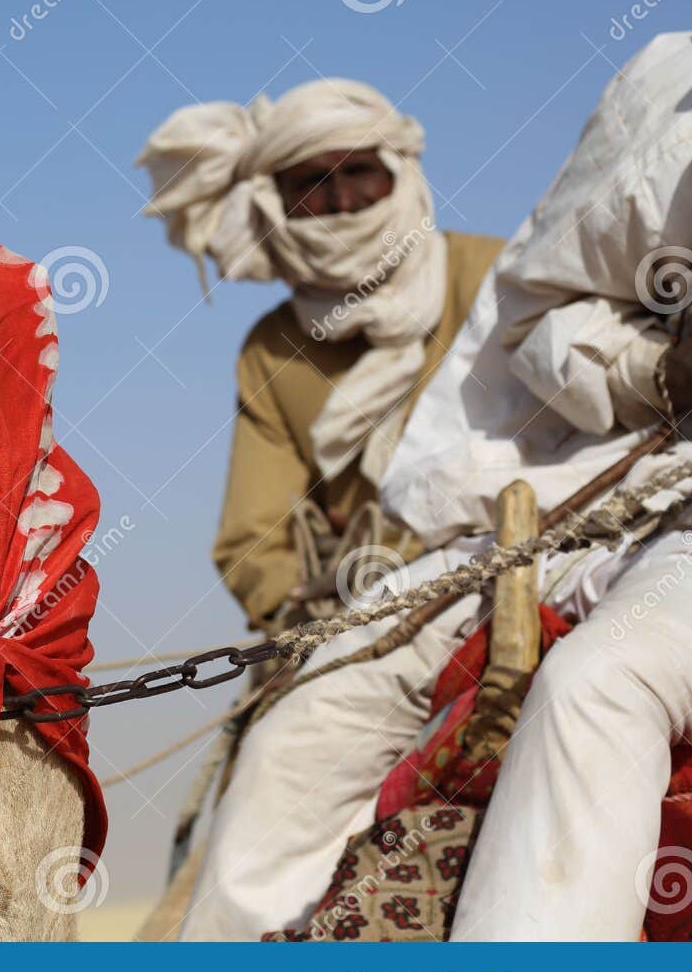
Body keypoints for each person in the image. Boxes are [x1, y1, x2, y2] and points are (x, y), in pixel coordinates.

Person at [379, 0, 692, 940]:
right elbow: (546, 318)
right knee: (324, 699)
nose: (338, 208)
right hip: (622, 490)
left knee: (594, 684)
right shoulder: (677, 100)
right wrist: (667, 367)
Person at [138, 79, 503, 633]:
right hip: (363, 624)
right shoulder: (273, 351)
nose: (341, 201)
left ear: (398, 172)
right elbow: (253, 540)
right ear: (276, 202)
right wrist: (310, 598)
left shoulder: (494, 279)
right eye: (313, 183)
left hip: (527, 569)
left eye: (358, 172)